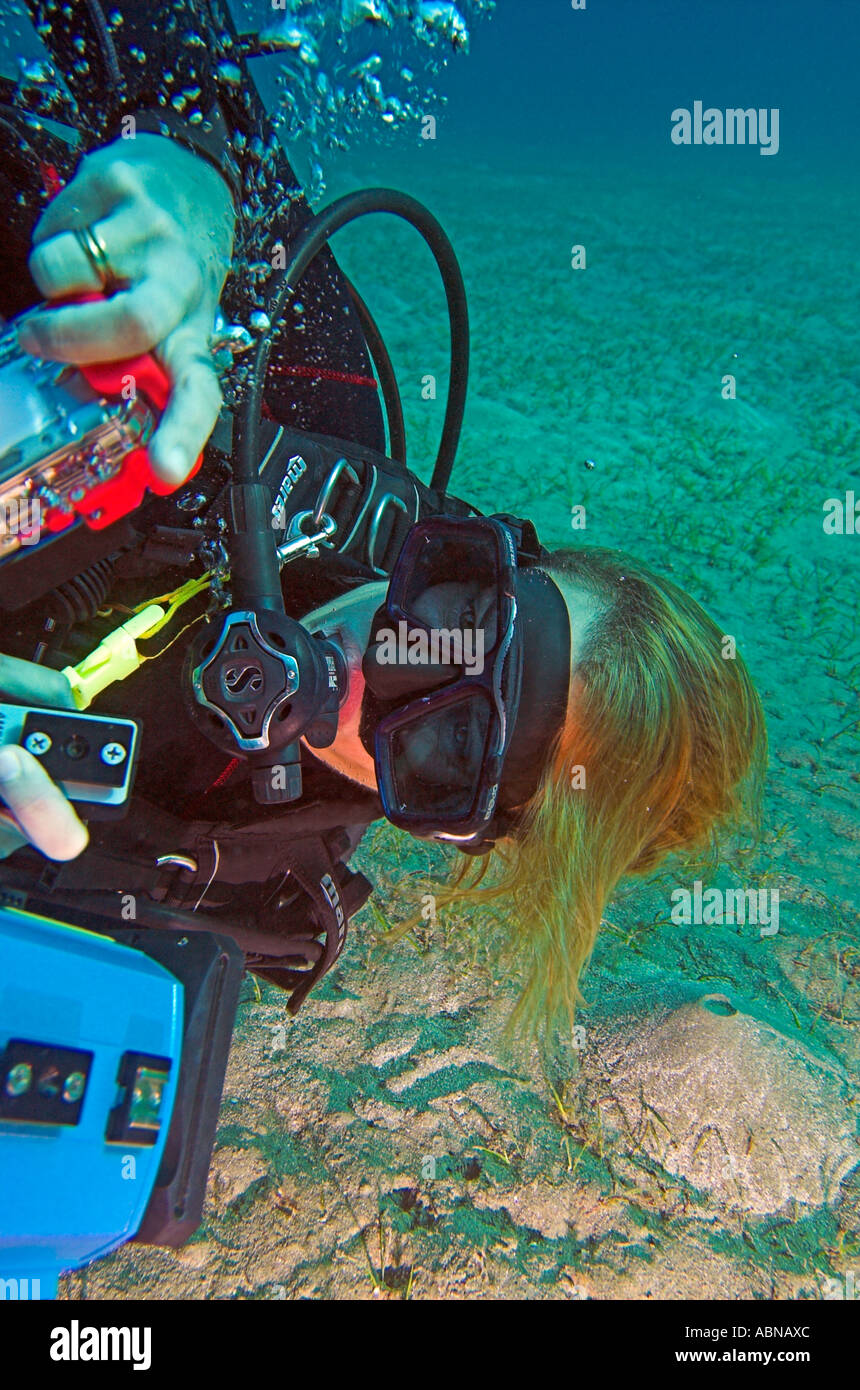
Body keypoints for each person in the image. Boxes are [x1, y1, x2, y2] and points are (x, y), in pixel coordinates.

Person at [0, 0, 767, 1037]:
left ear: (452, 831)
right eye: (459, 608)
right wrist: (180, 168)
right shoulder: (306, 384)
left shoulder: (220, 876)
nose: (373, 664)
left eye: (447, 742)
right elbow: (163, 45)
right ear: (491, 541)